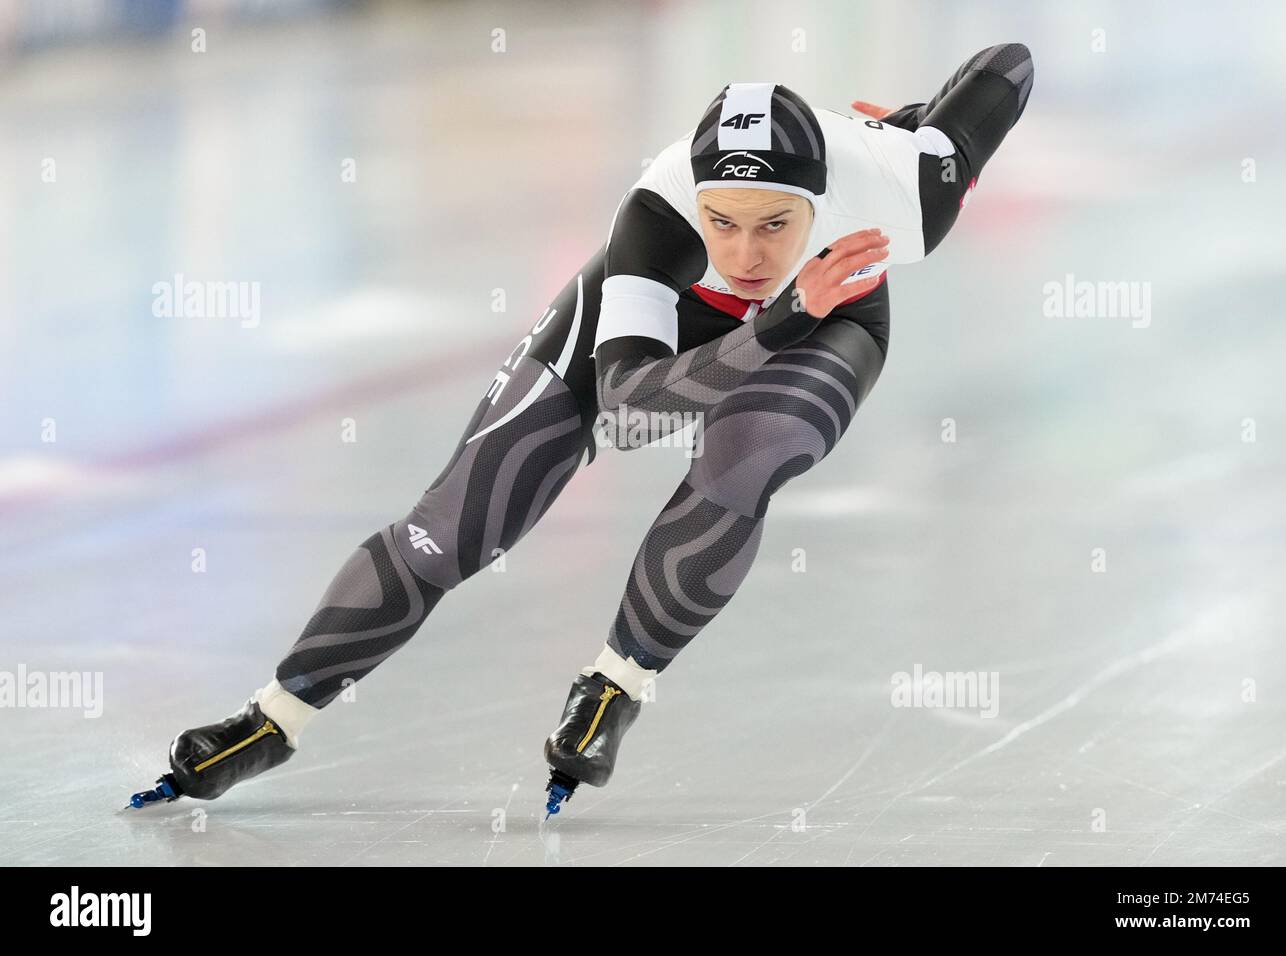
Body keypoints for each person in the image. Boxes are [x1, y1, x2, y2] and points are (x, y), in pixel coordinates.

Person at [128, 43, 1035, 815]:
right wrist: (776, 315)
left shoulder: (907, 191)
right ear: (696, 200)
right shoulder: (656, 214)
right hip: (687, 332)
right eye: (724, 222)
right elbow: (634, 411)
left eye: (775, 224)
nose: (748, 253)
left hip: (831, 313)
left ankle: (617, 684)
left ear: (825, 198)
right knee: (455, 525)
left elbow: (1007, 67)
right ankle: (271, 719)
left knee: (747, 449)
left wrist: (922, 127)